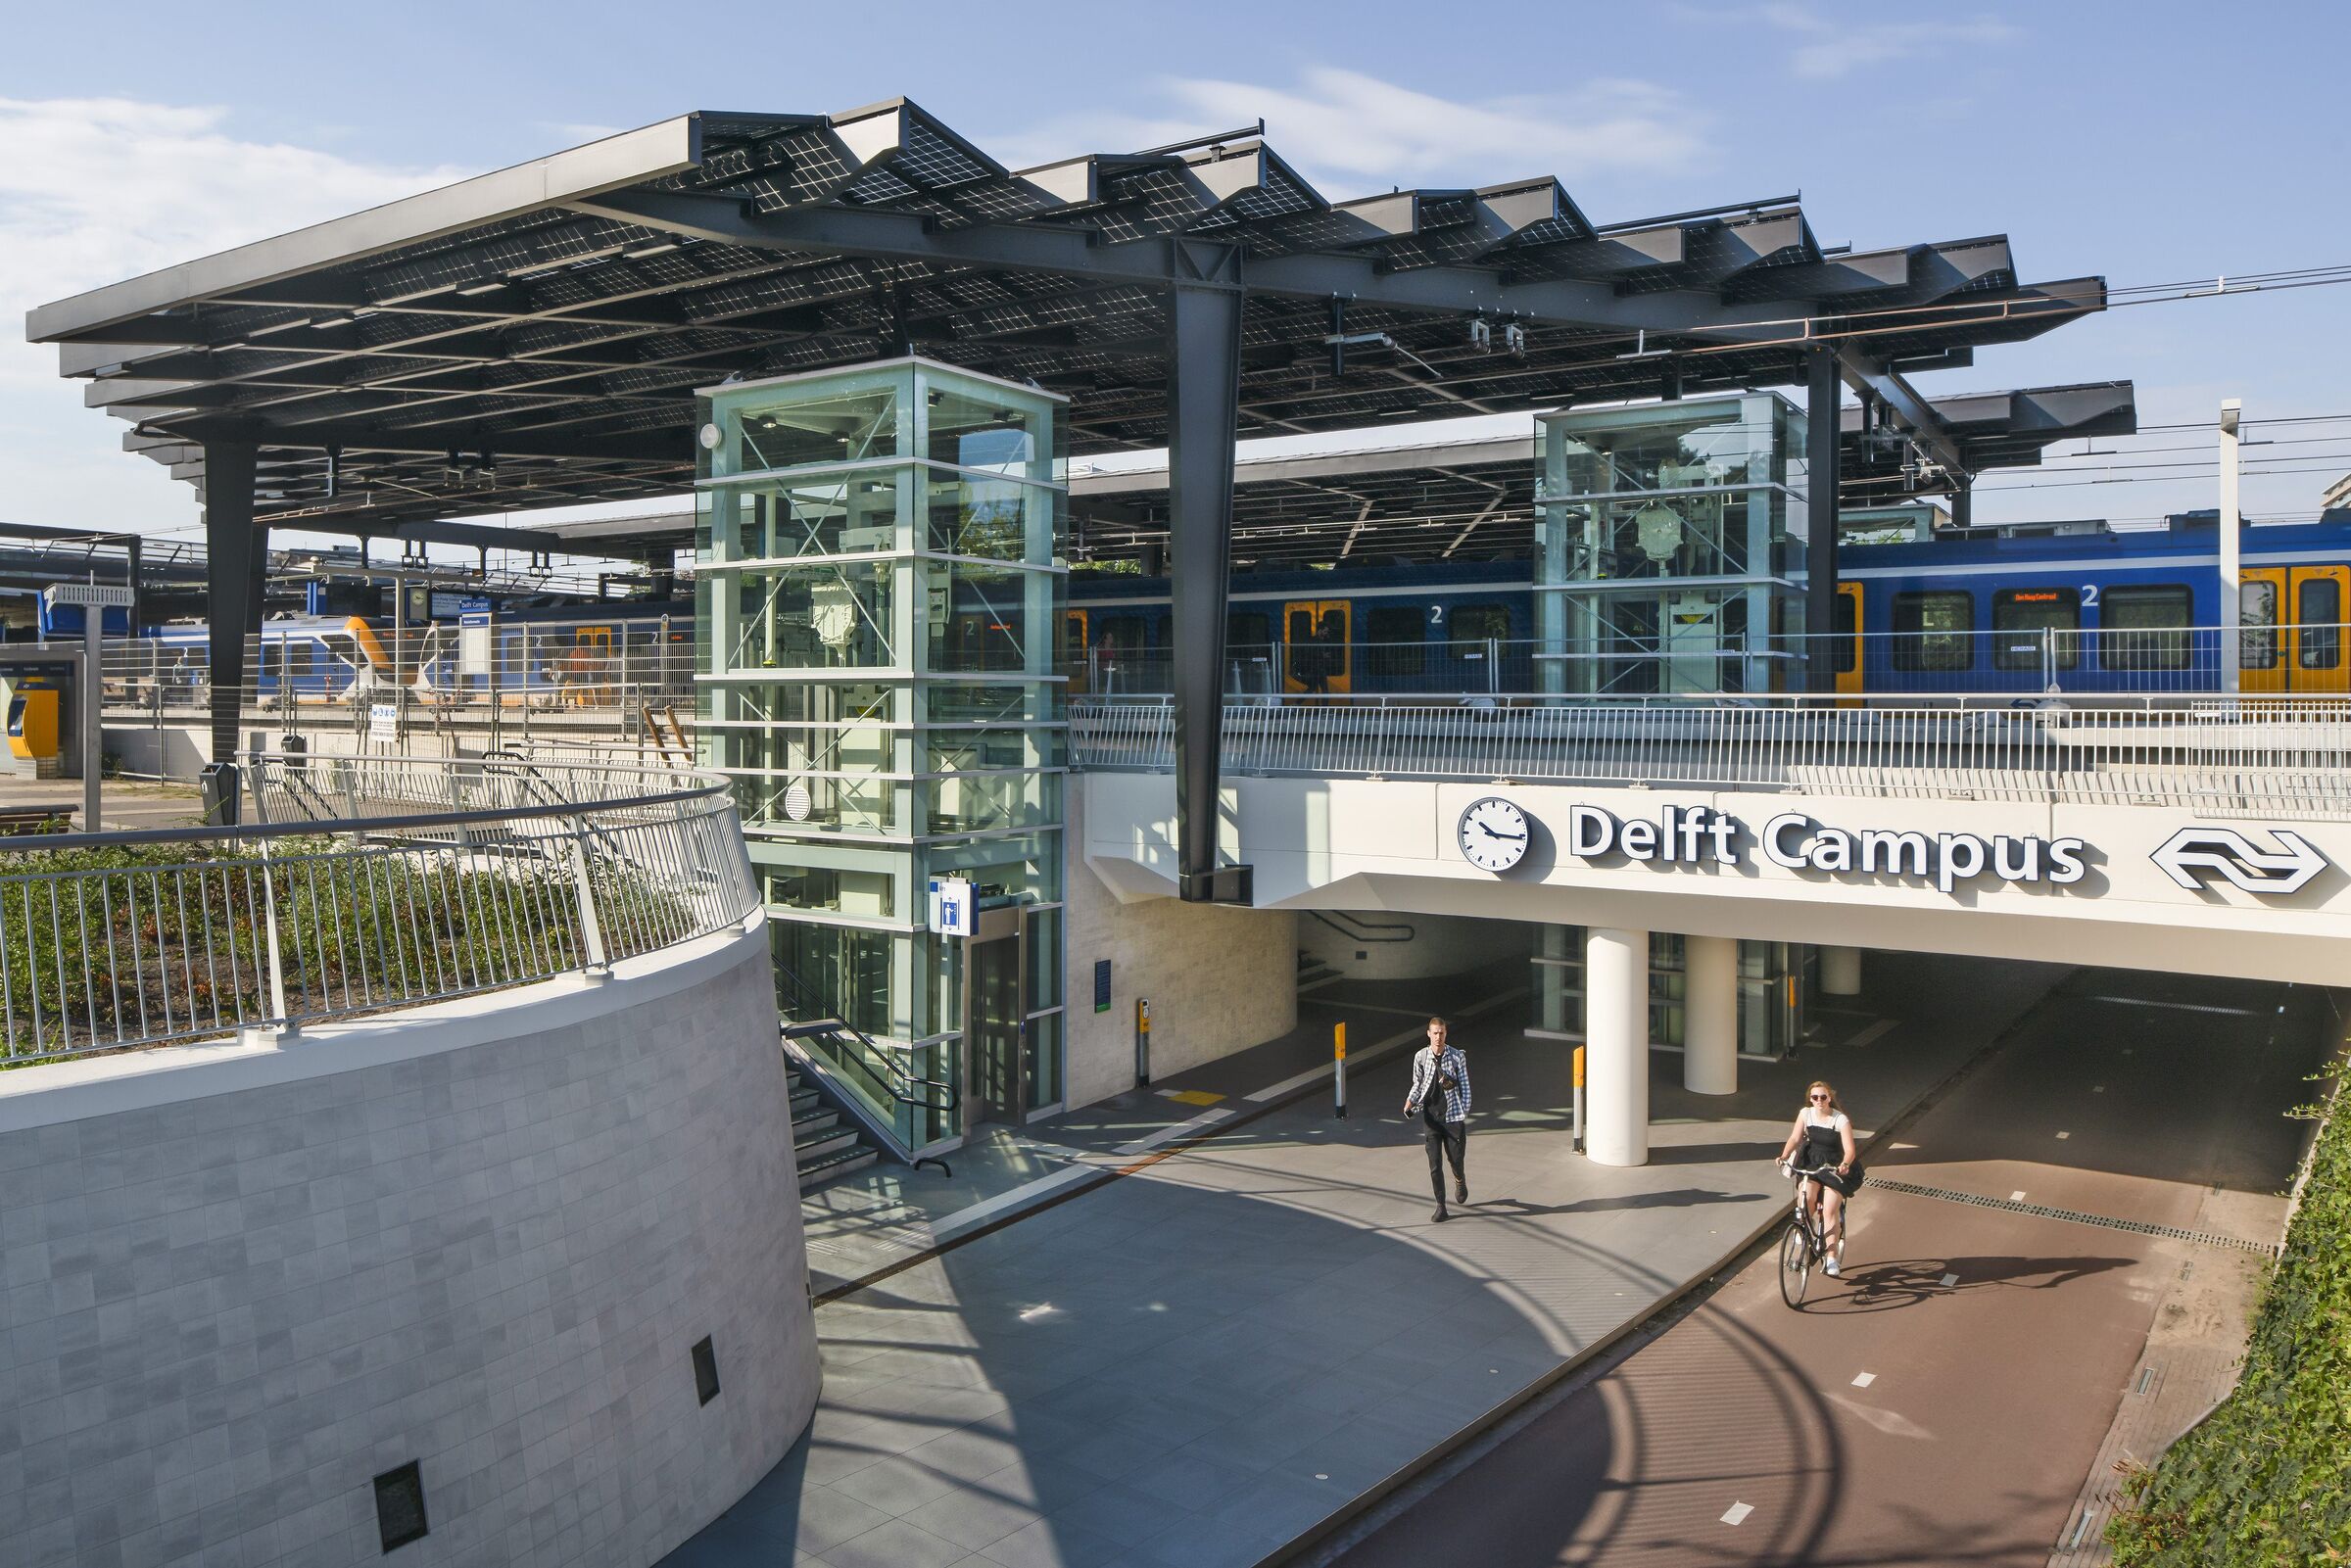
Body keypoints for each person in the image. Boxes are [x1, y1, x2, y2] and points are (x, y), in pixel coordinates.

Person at [1777, 1079, 1860, 1276]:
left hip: (1833, 1165)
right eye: (1815, 1097)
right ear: (1811, 1099)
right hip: (1811, 1162)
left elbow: (1850, 1150)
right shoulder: (1805, 1114)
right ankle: (1806, 1224)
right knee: (1806, 1197)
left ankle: (1831, 1258)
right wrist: (1784, 1154)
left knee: (1830, 1210)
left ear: (1829, 1098)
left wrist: (1845, 1164)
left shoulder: (1840, 1120)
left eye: (1823, 1097)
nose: (1819, 1101)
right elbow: (1795, 1138)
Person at [1403, 1016, 1472, 1223]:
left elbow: (1465, 1087)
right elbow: (1418, 1083)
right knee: (1434, 1164)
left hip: (1452, 1118)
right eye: (1435, 1033)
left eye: (1441, 1033)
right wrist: (1410, 1100)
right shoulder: (1421, 1057)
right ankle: (1440, 1206)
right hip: (1430, 1117)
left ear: (1445, 1034)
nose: (1438, 1037)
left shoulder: (1457, 1056)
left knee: (1456, 1159)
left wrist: (1463, 1112)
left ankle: (1460, 1180)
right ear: (1428, 1034)